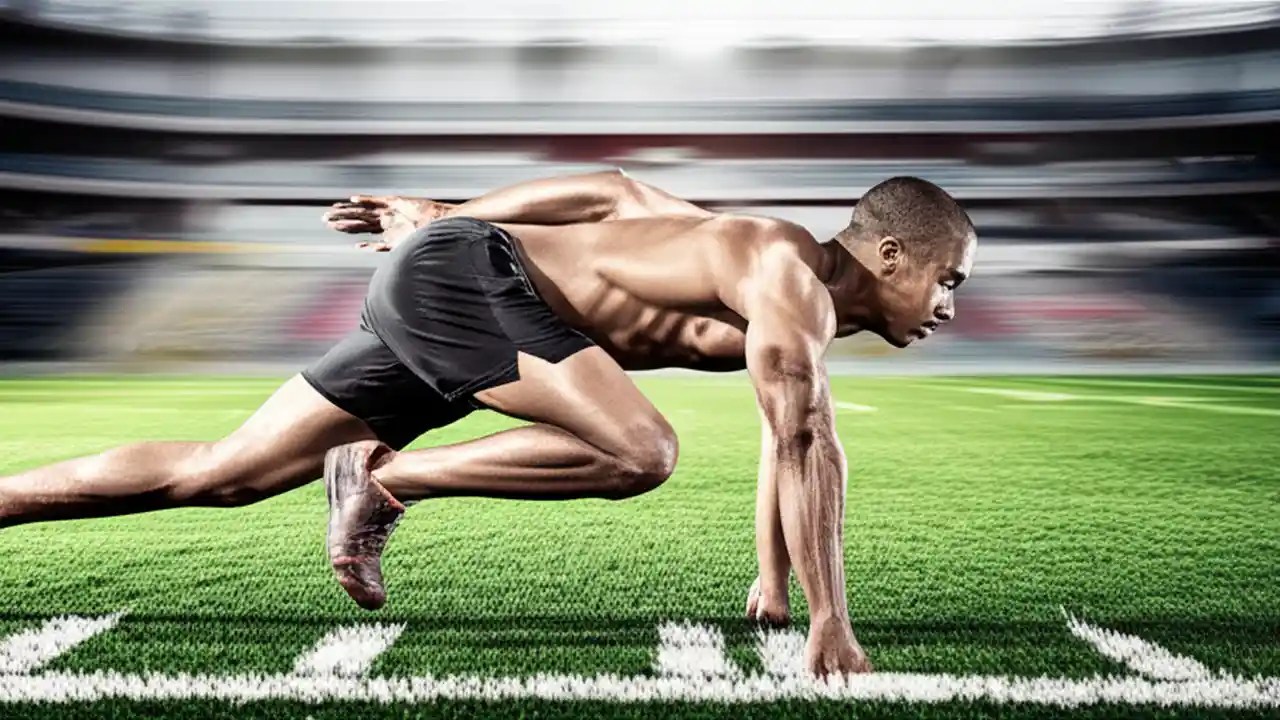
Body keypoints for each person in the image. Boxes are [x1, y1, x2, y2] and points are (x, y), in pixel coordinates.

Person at [0, 171, 975, 677]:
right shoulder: (773, 265)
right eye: (947, 281)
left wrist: (773, 580)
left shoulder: (780, 318)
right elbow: (610, 184)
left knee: (225, 474)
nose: (948, 307)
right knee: (640, 450)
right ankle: (383, 478)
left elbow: (784, 436)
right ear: (890, 256)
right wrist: (829, 624)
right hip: (463, 277)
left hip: (483, 320)